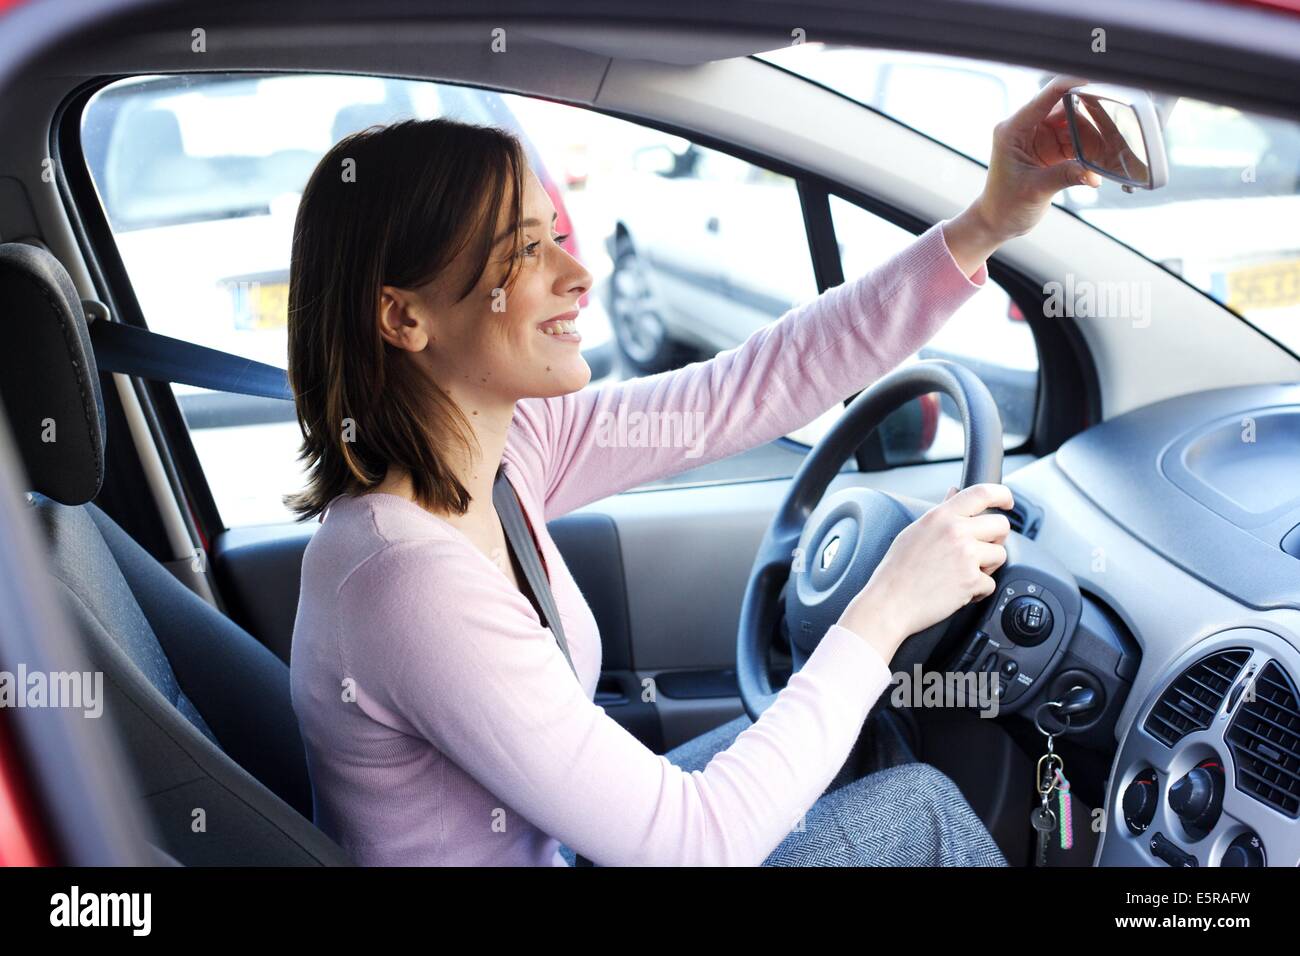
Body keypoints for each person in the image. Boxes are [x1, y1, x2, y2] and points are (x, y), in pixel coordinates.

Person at [286, 75, 1101, 866]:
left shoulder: (503, 453)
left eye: (555, 237)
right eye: (524, 253)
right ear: (404, 316)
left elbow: (747, 387)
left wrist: (987, 221)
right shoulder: (408, 584)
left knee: (867, 737)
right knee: (916, 811)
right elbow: (695, 845)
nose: (579, 276)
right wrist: (887, 608)